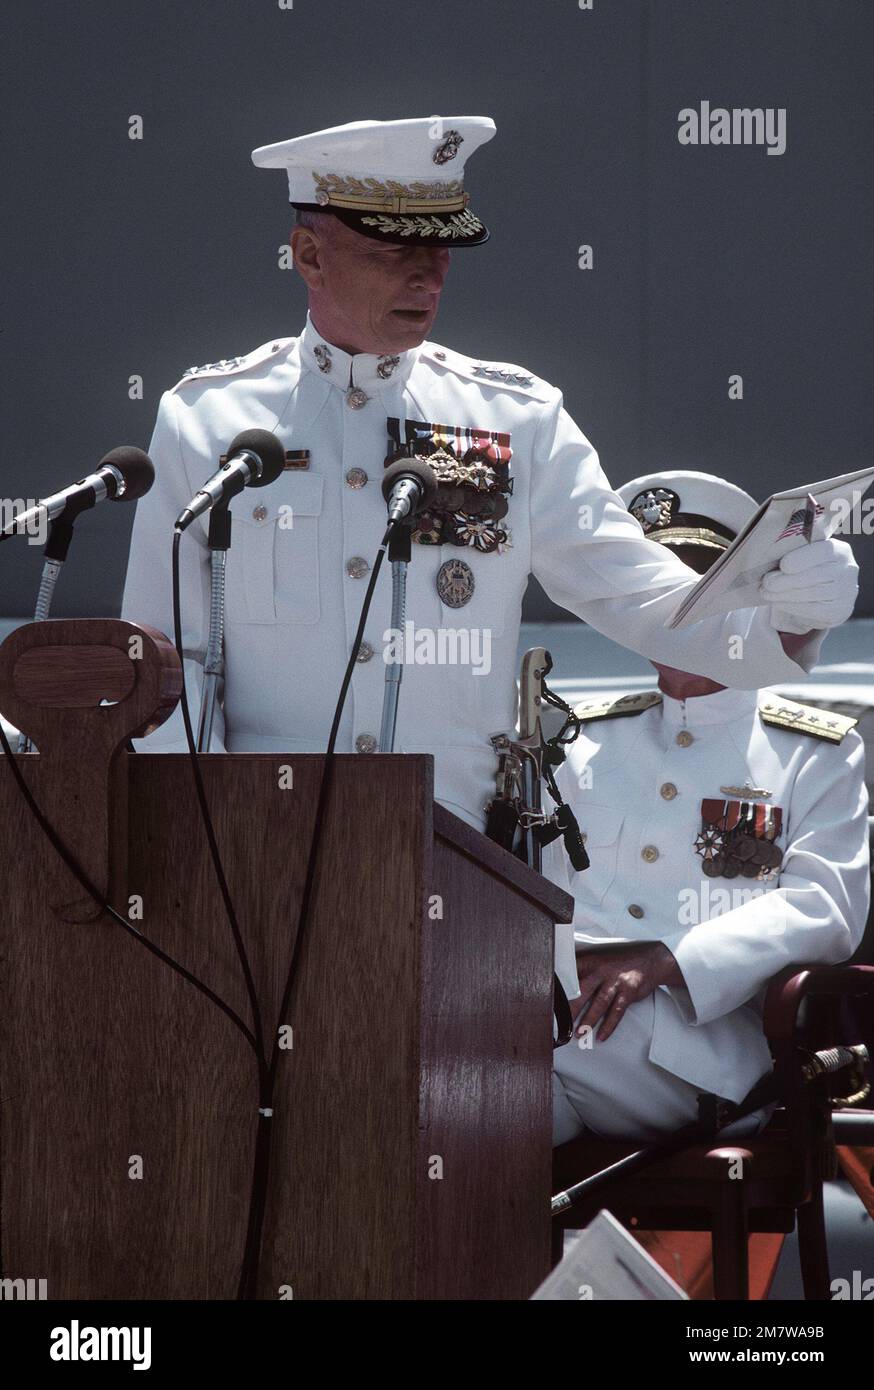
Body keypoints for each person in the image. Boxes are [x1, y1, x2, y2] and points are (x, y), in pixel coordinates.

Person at [122, 117, 859, 1002]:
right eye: (393, 250)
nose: (427, 275)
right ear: (308, 257)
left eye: (443, 251)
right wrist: (202, 852)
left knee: (447, 1133)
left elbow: (651, 601)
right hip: (258, 864)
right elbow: (168, 667)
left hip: (455, 875)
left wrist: (788, 610)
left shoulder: (515, 420)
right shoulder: (208, 420)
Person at [551, 471, 870, 1143]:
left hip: (704, 1057)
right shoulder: (579, 740)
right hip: (566, 1024)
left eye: (699, 599)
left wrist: (667, 960)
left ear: (748, 609)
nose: (677, 622)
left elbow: (825, 910)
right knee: (459, 1097)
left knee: (483, 1068)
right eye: (658, 602)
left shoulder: (813, 751)